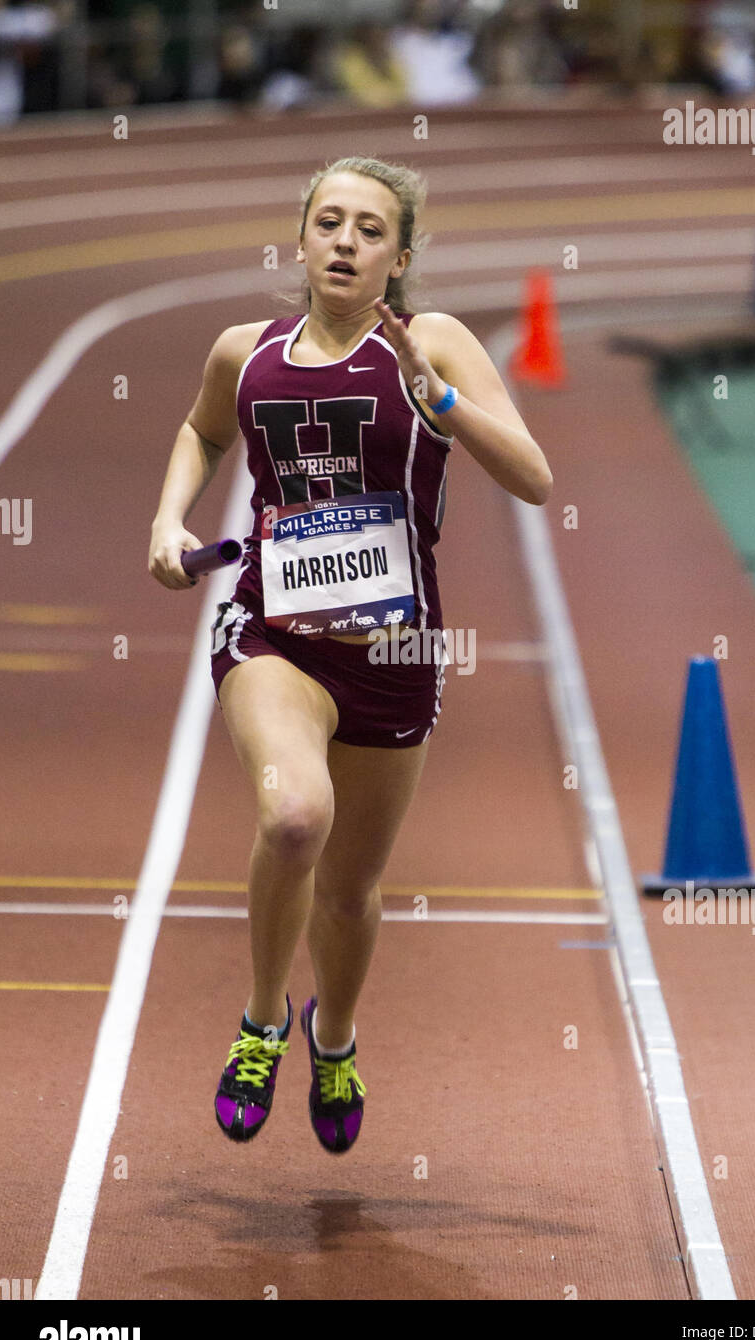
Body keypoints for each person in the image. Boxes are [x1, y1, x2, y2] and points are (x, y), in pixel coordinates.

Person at [148, 156, 552, 1155]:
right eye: (327, 222)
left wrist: (441, 404)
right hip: (272, 634)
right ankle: (261, 1024)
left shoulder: (434, 343)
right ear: (299, 238)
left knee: (349, 887)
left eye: (368, 229)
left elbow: (536, 478)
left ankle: (335, 1036)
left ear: (399, 256)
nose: (343, 241)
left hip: (394, 647)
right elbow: (201, 432)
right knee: (294, 818)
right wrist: (167, 520)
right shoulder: (244, 350)